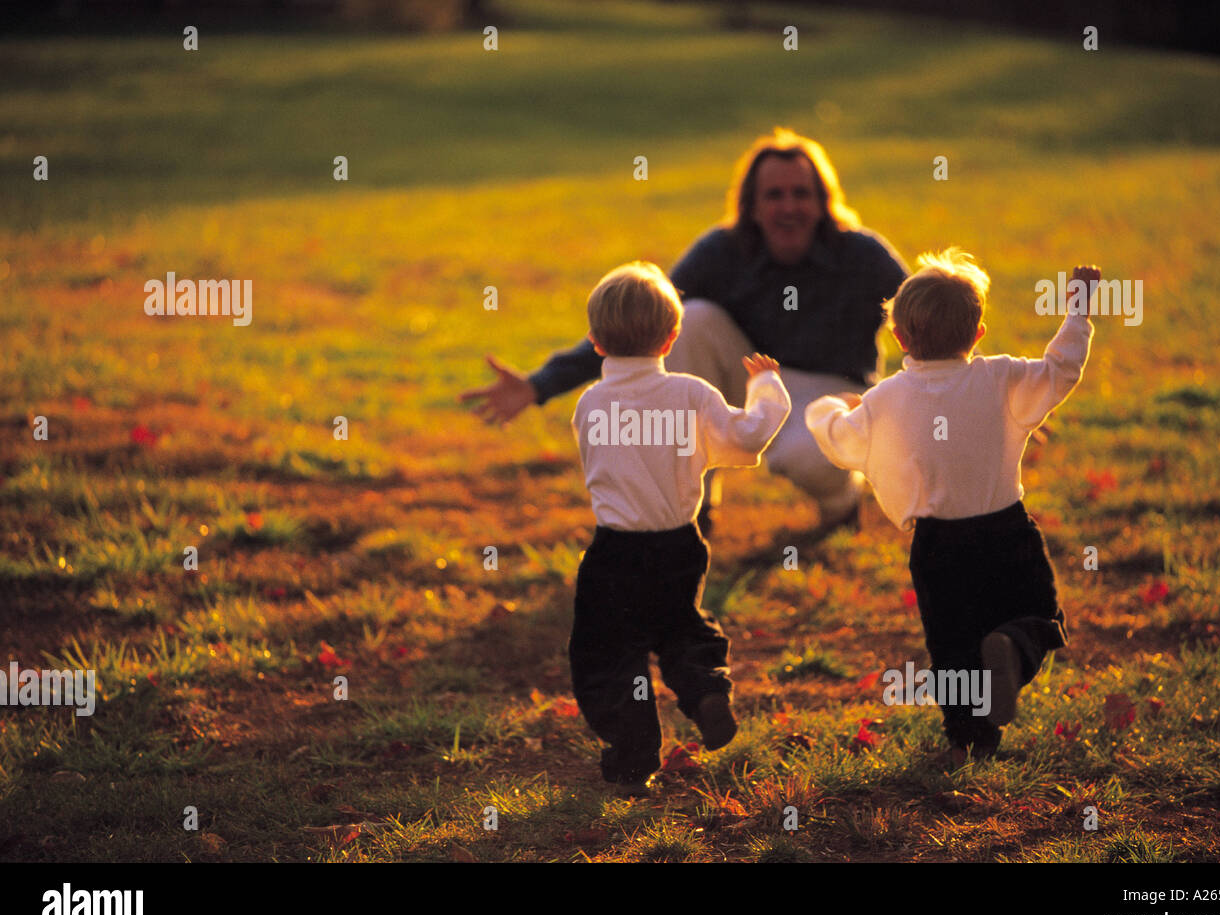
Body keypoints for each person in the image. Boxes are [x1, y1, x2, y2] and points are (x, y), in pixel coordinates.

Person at [459, 128, 908, 534]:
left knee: (804, 456)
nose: (788, 207)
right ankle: (693, 506)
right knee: (689, 317)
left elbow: (925, 315)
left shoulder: (861, 254)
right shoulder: (723, 251)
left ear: (822, 201)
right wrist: (538, 385)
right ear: (752, 206)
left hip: (829, 393)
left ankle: (840, 503)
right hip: (749, 375)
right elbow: (637, 325)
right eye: (774, 195)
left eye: (800, 193)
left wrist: (944, 389)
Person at [806, 249, 1099, 766]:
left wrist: (826, 408)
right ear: (978, 332)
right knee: (1038, 615)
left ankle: (968, 740)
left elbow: (840, 443)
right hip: (1007, 531)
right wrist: (1078, 310)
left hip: (939, 547)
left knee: (953, 646)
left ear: (898, 337)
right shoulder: (1001, 378)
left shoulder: (886, 399)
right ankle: (1013, 644)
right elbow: (1060, 370)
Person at [569, 261, 789, 795]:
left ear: (596, 342)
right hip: (680, 545)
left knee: (611, 651)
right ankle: (704, 688)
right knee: (678, 627)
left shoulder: (591, 404)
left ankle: (632, 753)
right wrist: (765, 386)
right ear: (672, 337)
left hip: (616, 551)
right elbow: (749, 437)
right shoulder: (692, 394)